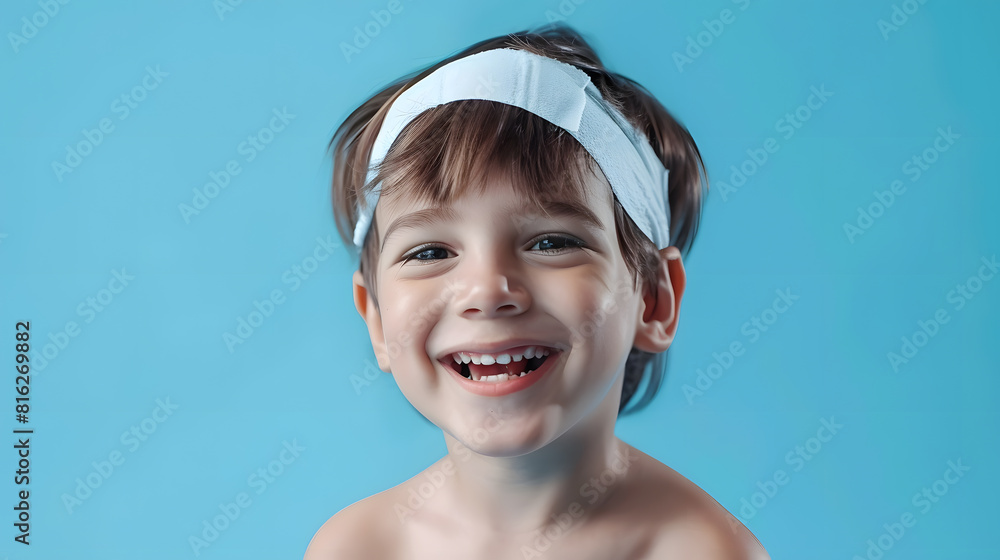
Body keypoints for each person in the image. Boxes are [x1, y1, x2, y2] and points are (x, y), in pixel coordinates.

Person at [306, 23, 770, 560]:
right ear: (379, 321)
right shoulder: (357, 547)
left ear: (654, 300)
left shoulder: (702, 551)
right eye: (431, 252)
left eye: (551, 242)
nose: (486, 290)